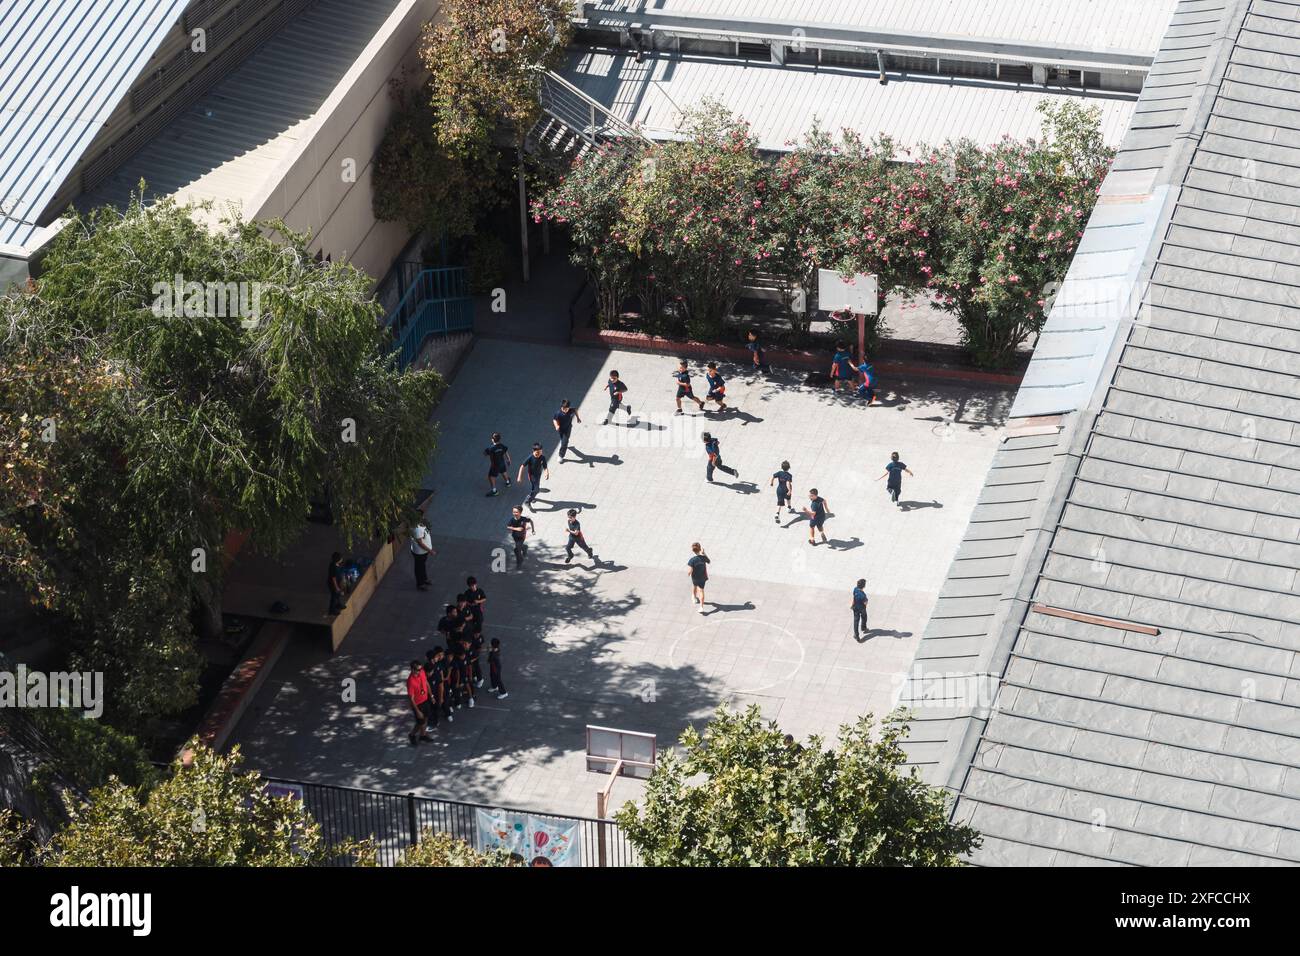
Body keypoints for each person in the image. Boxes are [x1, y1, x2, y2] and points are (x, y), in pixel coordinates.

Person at [407, 661, 433, 746]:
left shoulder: (421, 672)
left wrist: (431, 696)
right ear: (412, 669)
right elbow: (411, 698)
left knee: (425, 718)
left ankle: (423, 735)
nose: (420, 671)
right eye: (418, 669)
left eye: (421, 668)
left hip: (425, 700)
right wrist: (417, 711)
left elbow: (426, 683)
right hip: (418, 704)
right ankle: (412, 735)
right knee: (419, 723)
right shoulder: (410, 681)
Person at [410, 514, 435, 591]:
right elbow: (420, 543)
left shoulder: (422, 524)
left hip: (423, 552)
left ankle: (424, 579)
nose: (424, 517)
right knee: (419, 568)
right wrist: (430, 551)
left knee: (422, 566)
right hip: (419, 553)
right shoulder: (417, 529)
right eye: (422, 517)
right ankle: (420, 584)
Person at [484, 433, 512, 497]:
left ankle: (494, 491)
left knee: (491, 476)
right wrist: (508, 459)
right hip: (502, 462)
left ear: (493, 440)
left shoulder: (491, 448)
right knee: (503, 471)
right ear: (499, 439)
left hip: (495, 465)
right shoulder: (502, 446)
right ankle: (508, 482)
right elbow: (506, 452)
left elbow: (485, 453)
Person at [687, 542, 710, 614]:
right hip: (703, 577)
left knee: (694, 586)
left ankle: (693, 597)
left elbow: (690, 571)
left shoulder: (692, 560)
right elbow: (709, 561)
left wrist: (689, 573)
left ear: (693, 550)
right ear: (700, 549)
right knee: (701, 591)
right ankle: (701, 607)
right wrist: (704, 553)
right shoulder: (703, 558)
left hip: (695, 577)